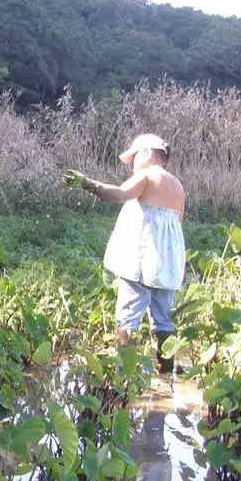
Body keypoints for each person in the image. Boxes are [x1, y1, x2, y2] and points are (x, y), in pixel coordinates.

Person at [63, 133, 186, 374]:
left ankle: (123, 374)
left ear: (148, 154)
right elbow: (178, 226)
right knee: (163, 318)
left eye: (133, 158)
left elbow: (119, 194)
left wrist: (87, 183)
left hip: (141, 259)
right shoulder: (177, 186)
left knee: (128, 316)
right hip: (168, 263)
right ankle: (166, 372)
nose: (131, 166)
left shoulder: (148, 175)